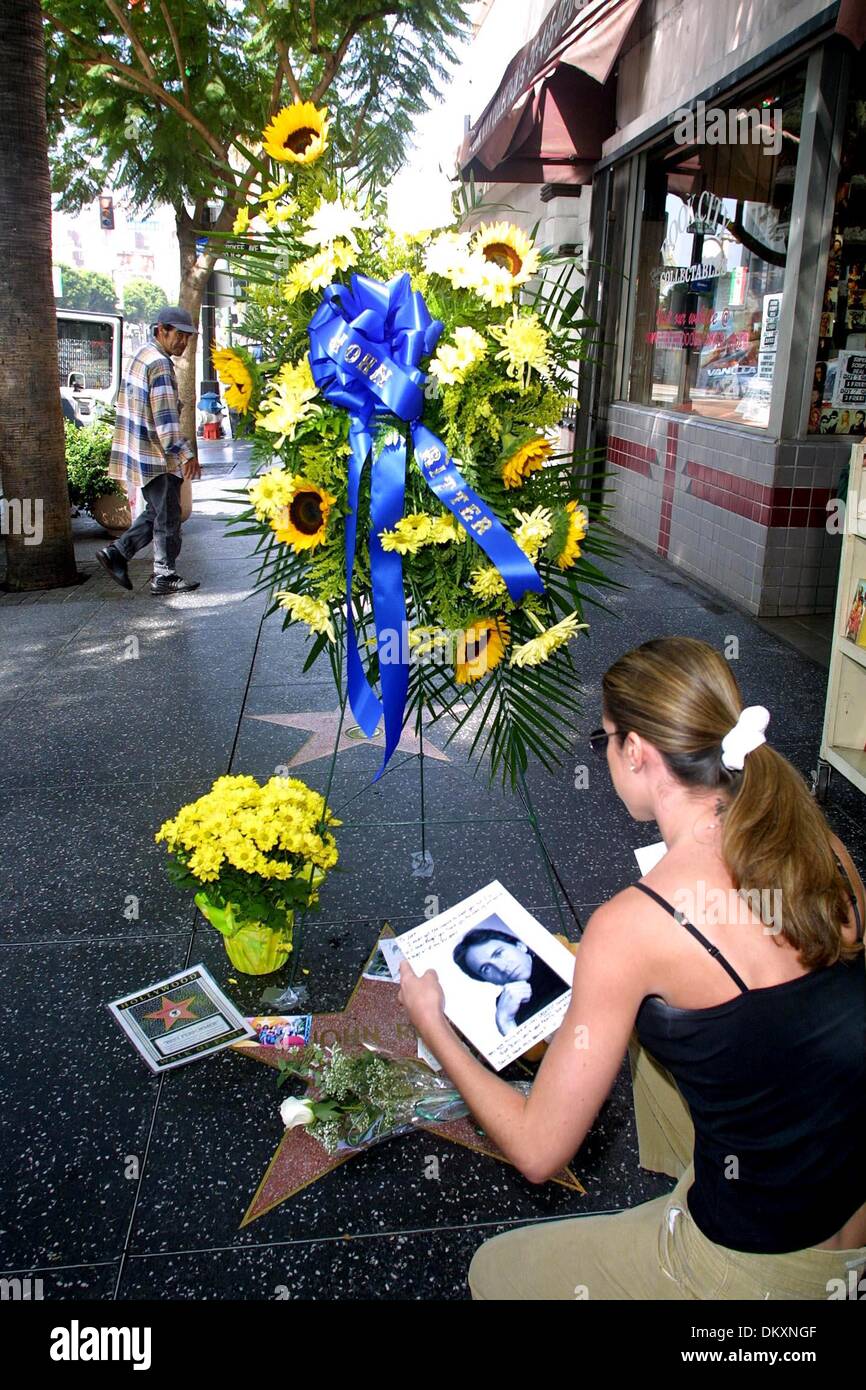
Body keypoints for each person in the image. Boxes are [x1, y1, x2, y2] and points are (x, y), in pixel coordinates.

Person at [399, 637, 866, 1299]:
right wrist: (607, 978)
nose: (606, 753)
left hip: (764, 1267)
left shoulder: (633, 925)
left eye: (605, 739)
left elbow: (538, 1152)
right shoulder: (825, 849)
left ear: (637, 750)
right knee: (659, 1033)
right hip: (848, 1216)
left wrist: (432, 1020)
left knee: (494, 1272)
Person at [97, 306, 202, 596]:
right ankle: (164, 575)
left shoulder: (140, 355)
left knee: (157, 511)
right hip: (157, 455)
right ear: (162, 330)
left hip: (138, 451)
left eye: (187, 337)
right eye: (178, 335)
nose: (183, 342)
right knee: (168, 515)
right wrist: (185, 454)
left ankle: (117, 553)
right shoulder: (159, 364)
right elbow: (166, 419)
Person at [452, 924, 568, 1035]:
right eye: (486, 969)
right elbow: (533, 1054)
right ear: (486, 980)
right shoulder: (506, 1006)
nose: (501, 968)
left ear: (520, 946)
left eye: (498, 953)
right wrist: (505, 1022)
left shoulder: (556, 950)